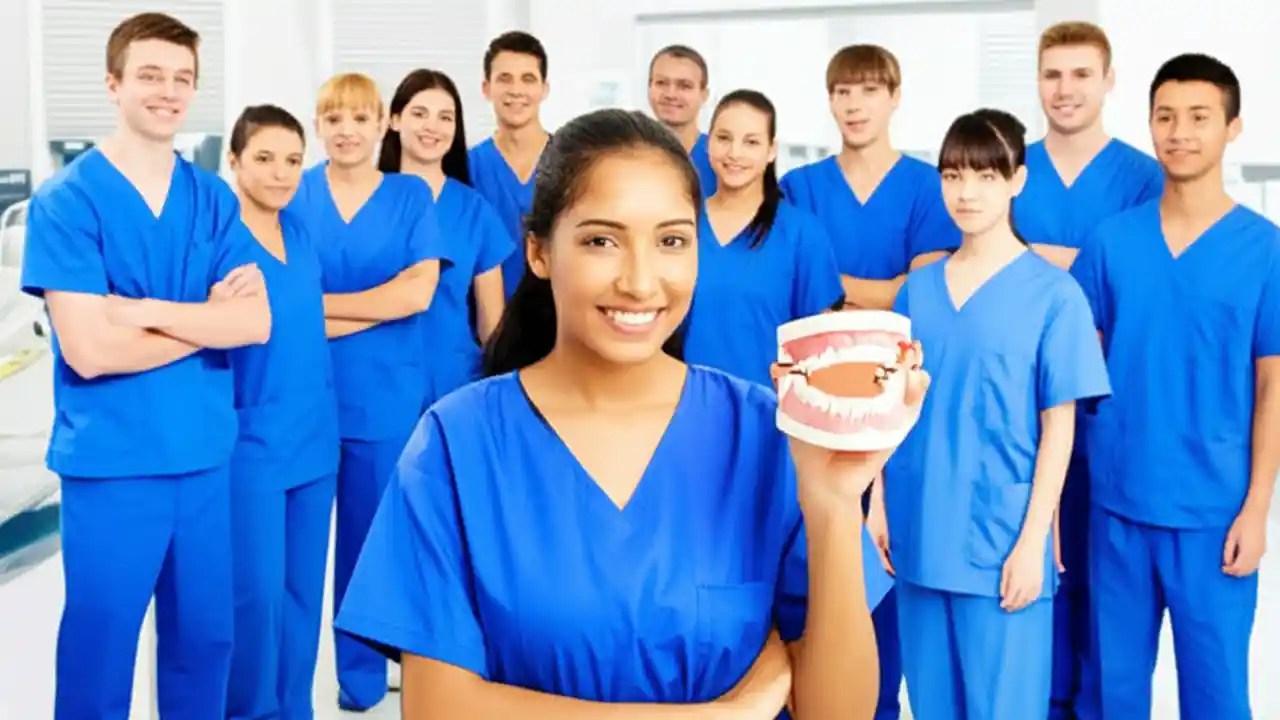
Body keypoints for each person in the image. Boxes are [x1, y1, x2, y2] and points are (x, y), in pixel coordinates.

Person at [333, 108, 910, 719]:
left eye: (671, 241)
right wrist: (717, 716)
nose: (640, 282)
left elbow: (839, 712)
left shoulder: (766, 437)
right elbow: (438, 709)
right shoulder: (458, 443)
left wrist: (834, 504)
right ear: (539, 251)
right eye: (601, 240)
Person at [18, 12, 271, 718]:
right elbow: (90, 352)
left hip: (202, 460)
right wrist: (201, 322)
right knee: (101, 651)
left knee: (205, 645)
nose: (168, 91)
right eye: (151, 75)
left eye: (182, 78)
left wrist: (136, 310)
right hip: (113, 464)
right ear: (113, 83)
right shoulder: (67, 203)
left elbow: (253, 321)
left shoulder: (214, 198)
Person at [883, 108, 1110, 720]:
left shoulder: (1054, 294)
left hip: (1002, 539)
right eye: (953, 175)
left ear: (1017, 181)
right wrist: (880, 504)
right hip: (920, 527)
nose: (966, 192)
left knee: (1002, 707)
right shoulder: (917, 290)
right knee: (931, 705)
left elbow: (1059, 429)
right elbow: (891, 406)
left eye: (985, 175)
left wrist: (1033, 541)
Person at [1070, 53, 1277, 720]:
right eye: (1165, 117)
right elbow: (1075, 368)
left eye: (1198, 117)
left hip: (1213, 516)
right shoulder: (1111, 243)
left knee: (1217, 699)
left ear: (1232, 127)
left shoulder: (1265, 250)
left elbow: (1274, 387)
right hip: (1117, 507)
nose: (1179, 132)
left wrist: (1256, 509)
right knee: (1113, 695)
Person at [779, 43, 958, 719]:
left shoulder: (922, 187)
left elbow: (918, 289)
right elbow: (804, 297)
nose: (854, 105)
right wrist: (875, 293)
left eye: (867, 91)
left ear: (894, 96)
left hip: (888, 399)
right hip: (813, 399)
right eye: (842, 92)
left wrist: (836, 291)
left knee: (881, 563)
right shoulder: (801, 189)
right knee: (807, 564)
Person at [1013, 22, 1165, 718]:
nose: (1065, 90)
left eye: (1080, 75)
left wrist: (1034, 257)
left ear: (1108, 81)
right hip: (1021, 401)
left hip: (1111, 406)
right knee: (1034, 566)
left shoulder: (1144, 177)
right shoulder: (1012, 168)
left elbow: (1148, 284)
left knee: (1106, 580)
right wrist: (1084, 262)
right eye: (1053, 75)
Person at [288, 71, 449, 712]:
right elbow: (272, 302)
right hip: (300, 397)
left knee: (366, 545)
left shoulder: (410, 196)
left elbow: (418, 293)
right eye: (333, 119)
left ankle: (359, 681)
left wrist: (315, 309)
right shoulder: (293, 196)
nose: (347, 131)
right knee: (293, 557)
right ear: (318, 127)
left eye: (360, 118)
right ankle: (285, 688)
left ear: (383, 124)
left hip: (382, 401)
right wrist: (368, 307)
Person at [223, 104, 340, 720]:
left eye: (293, 160)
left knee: (302, 594)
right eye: (264, 158)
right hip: (253, 442)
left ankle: (295, 708)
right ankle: (251, 711)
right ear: (234, 160)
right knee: (257, 595)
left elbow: (309, 321)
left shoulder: (299, 232)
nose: (280, 173)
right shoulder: (218, 241)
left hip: (315, 439)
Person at [682, 90, 843, 387]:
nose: (735, 153)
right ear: (709, 144)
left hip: (769, 414)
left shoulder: (802, 235)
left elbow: (821, 347)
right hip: (685, 406)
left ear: (771, 151)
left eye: (751, 142)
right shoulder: (682, 226)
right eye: (724, 138)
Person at [380, 68, 514, 407]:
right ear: (394, 120)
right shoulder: (365, 203)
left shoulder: (475, 212)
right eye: (419, 113)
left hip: (453, 387)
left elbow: (492, 325)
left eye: (445, 117)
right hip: (374, 385)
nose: (433, 127)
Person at [469, 30, 552, 298]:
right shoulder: (467, 167)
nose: (516, 90)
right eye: (504, 79)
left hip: (561, 321)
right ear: (486, 88)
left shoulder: (573, 161)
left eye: (528, 79)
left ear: (544, 89)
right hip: (485, 325)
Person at [647, 44, 717, 196]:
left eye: (684, 86)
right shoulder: (630, 155)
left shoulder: (722, 158)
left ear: (704, 94)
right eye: (661, 83)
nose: (670, 94)